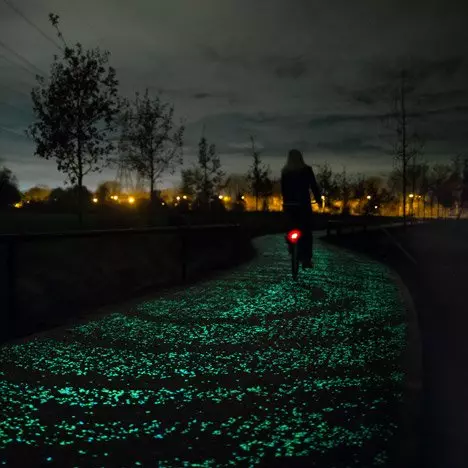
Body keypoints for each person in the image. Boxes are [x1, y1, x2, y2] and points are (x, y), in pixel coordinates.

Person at [281, 149, 322, 268]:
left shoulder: (285, 171)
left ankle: (291, 245)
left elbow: (284, 190)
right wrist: (318, 200)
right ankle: (306, 259)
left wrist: (286, 203)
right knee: (307, 231)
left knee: (290, 226)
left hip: (289, 204)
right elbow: (313, 186)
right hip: (303, 204)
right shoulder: (307, 170)